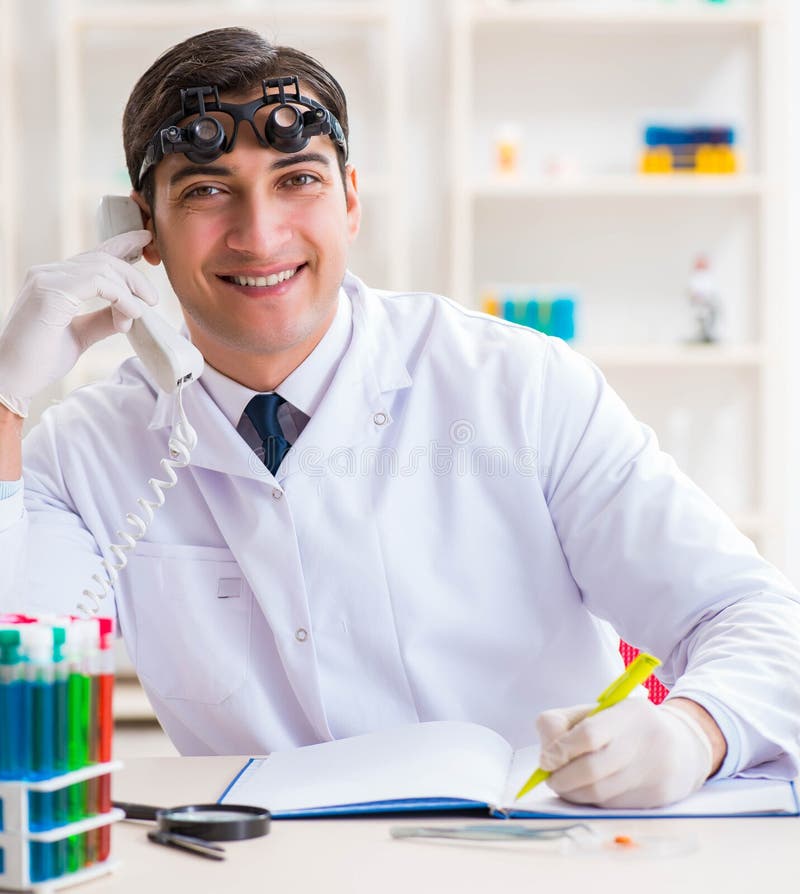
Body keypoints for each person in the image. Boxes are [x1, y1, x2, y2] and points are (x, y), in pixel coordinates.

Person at [0, 27, 798, 810]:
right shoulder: (83, 456)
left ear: (350, 200)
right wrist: (3, 399)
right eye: (207, 190)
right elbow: (18, 692)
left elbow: (755, 616)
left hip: (541, 856)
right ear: (139, 232)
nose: (260, 233)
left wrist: (698, 731)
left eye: (297, 179)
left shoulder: (521, 385)